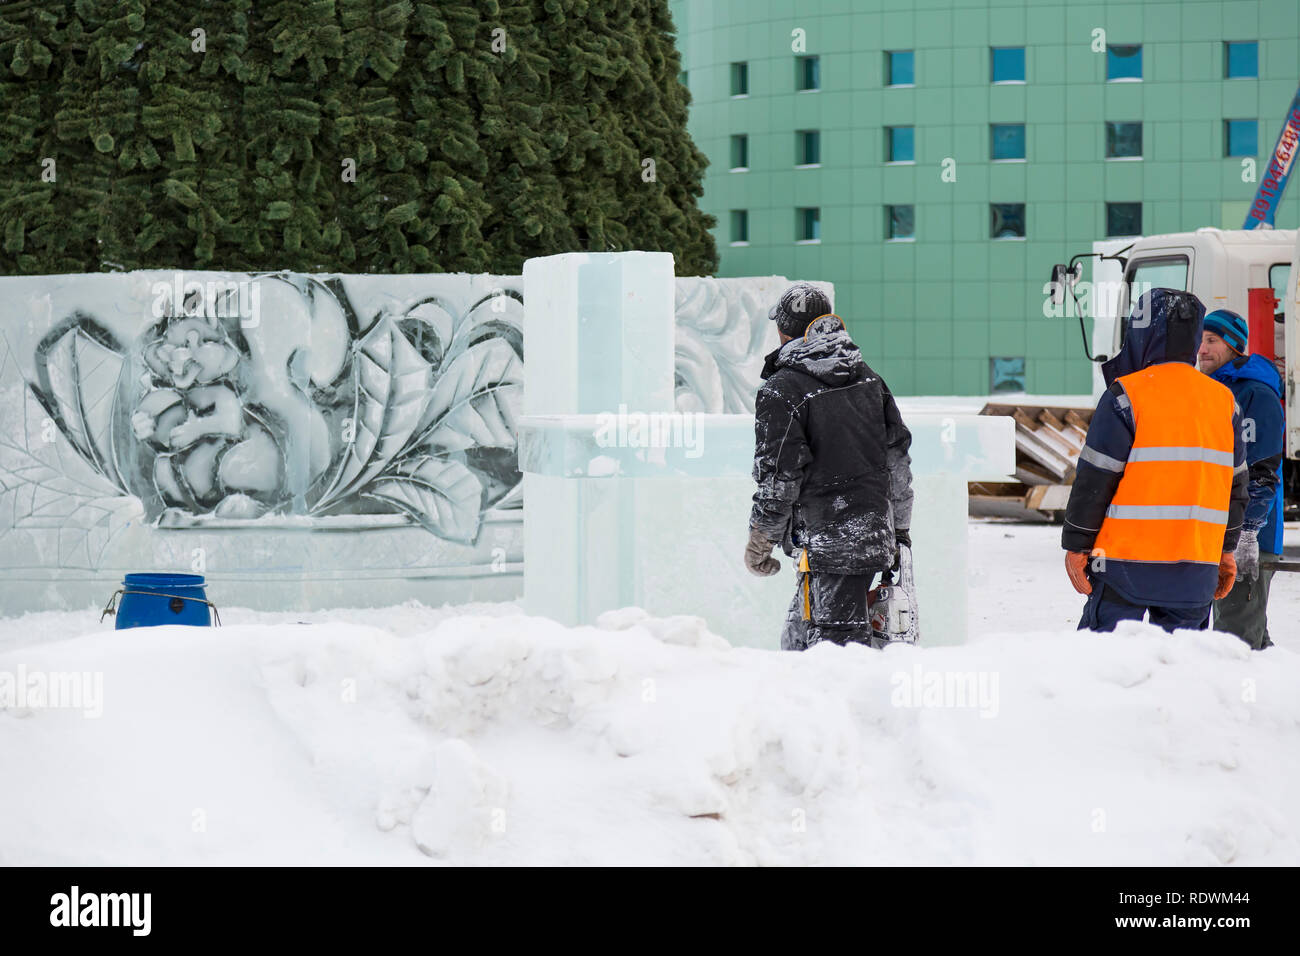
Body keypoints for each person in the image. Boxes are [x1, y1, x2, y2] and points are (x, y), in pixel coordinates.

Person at [1062, 288, 1248, 632]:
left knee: (1105, 672)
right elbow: (1235, 487)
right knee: (1178, 676)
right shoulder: (1224, 403)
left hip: (1123, 568)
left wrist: (1076, 545)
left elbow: (1095, 479)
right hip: (1195, 568)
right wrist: (1225, 550)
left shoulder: (1125, 396)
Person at [744, 282, 914, 650]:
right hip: (869, 536)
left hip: (828, 545)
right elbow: (897, 462)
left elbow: (779, 476)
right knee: (799, 644)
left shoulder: (781, 390)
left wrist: (761, 537)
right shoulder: (870, 380)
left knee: (835, 657)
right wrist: (899, 529)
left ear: (783, 331)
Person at [1196, 308, 1284, 650]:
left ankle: (1241, 700)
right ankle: (1268, 696)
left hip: (1249, 539)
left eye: (1212, 340)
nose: (1202, 349)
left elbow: (1263, 473)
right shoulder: (1209, 392)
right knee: (1248, 637)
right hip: (1219, 533)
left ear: (1234, 346)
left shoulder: (1255, 395)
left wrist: (1246, 534)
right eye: (1200, 340)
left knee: (1236, 640)